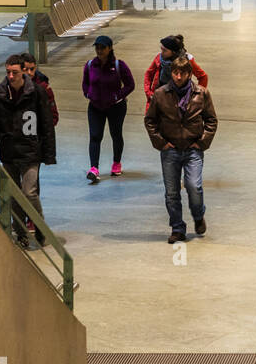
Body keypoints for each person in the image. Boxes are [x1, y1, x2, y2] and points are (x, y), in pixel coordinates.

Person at [0, 54, 56, 248]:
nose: (10, 76)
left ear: (23, 72)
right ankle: (20, 232)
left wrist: (49, 153)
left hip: (30, 152)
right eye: (8, 72)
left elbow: (46, 124)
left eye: (14, 72)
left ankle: (40, 227)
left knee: (29, 192)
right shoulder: (0, 95)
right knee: (15, 195)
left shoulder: (37, 93)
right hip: (9, 152)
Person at [144, 56, 216, 243]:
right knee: (172, 192)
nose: (177, 77)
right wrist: (161, 143)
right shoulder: (161, 94)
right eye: (175, 73)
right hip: (170, 149)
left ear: (189, 74)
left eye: (182, 73)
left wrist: (201, 143)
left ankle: (198, 215)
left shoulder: (201, 93)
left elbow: (211, 120)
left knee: (194, 186)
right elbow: (150, 120)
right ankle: (177, 228)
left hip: (193, 149)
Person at [82, 35, 136, 183]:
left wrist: (117, 96)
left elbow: (130, 84)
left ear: (110, 48)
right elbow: (85, 83)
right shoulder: (90, 65)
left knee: (116, 134)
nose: (99, 50)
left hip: (116, 107)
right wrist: (88, 94)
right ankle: (94, 168)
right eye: (97, 47)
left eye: (103, 47)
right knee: (95, 136)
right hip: (95, 107)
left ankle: (116, 163)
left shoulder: (119, 65)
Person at [144, 35, 208, 104]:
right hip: (159, 97)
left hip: (180, 100)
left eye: (165, 50)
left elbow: (202, 76)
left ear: (173, 52)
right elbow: (149, 74)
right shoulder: (159, 58)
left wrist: (198, 95)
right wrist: (149, 92)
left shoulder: (187, 61)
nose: (161, 52)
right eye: (161, 49)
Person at [19, 52, 58, 127]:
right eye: (26, 69)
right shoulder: (14, 87)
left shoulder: (44, 88)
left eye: (32, 69)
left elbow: (53, 116)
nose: (29, 73)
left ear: (35, 67)